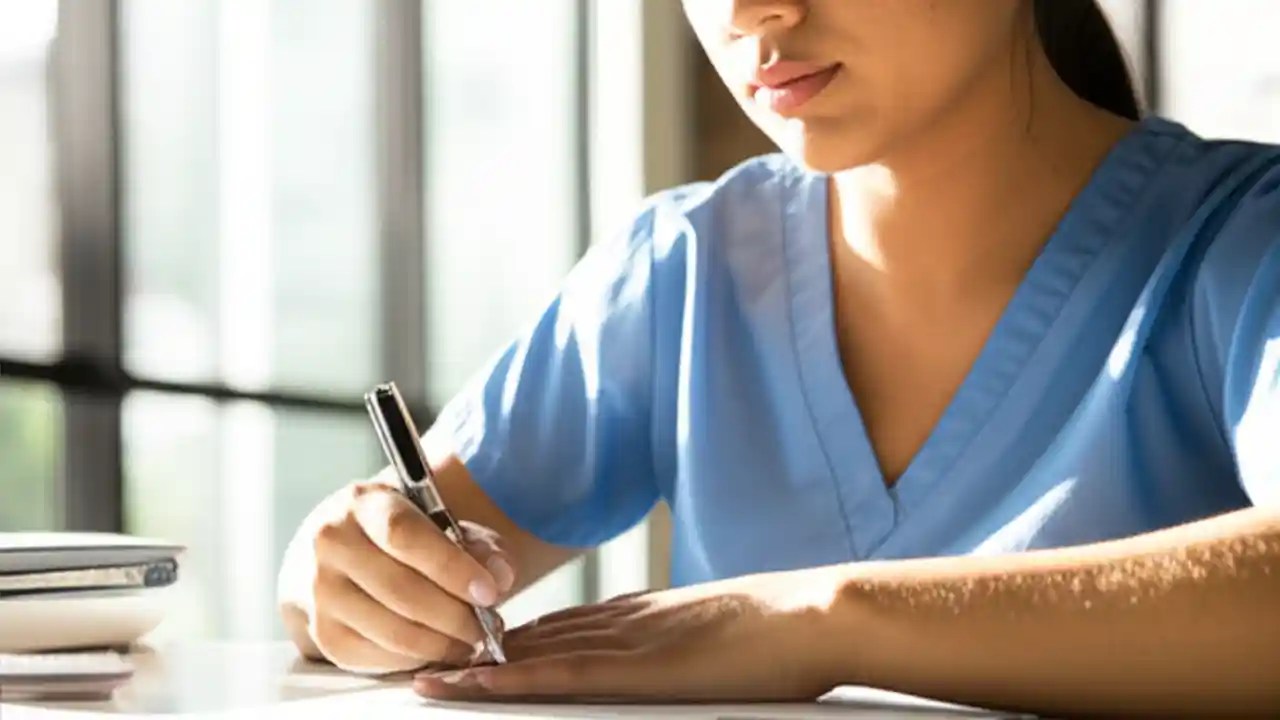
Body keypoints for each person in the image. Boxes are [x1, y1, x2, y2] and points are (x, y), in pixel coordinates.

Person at [278, 0, 1280, 715]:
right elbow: (379, 572)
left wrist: (816, 622)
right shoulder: (684, 268)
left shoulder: (1242, 244)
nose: (748, 11)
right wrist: (347, 573)